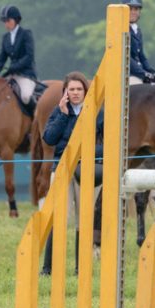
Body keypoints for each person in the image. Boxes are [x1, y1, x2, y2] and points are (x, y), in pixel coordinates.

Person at [40, 71, 103, 276]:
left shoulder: (97, 113)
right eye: (71, 89)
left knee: (83, 220)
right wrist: (62, 114)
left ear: (85, 91)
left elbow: (107, 145)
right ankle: (48, 268)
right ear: (65, 92)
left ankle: (80, 268)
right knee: (58, 217)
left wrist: (84, 152)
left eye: (79, 89)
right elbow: (49, 139)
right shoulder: (59, 111)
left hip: (87, 171)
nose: (75, 93)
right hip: (61, 170)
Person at [0, 4, 37, 103]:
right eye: (4, 21)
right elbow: (1, 60)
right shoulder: (5, 38)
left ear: (15, 20)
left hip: (26, 75)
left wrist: (14, 67)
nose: (6, 24)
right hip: (11, 76)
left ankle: (34, 117)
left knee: (26, 96)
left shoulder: (26, 34)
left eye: (8, 20)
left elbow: (29, 56)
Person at [120, 0, 155, 85]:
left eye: (136, 9)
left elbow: (141, 56)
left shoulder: (137, 30)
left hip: (138, 72)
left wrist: (152, 72)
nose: (133, 12)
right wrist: (144, 74)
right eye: (130, 9)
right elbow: (126, 58)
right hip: (126, 74)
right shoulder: (120, 29)